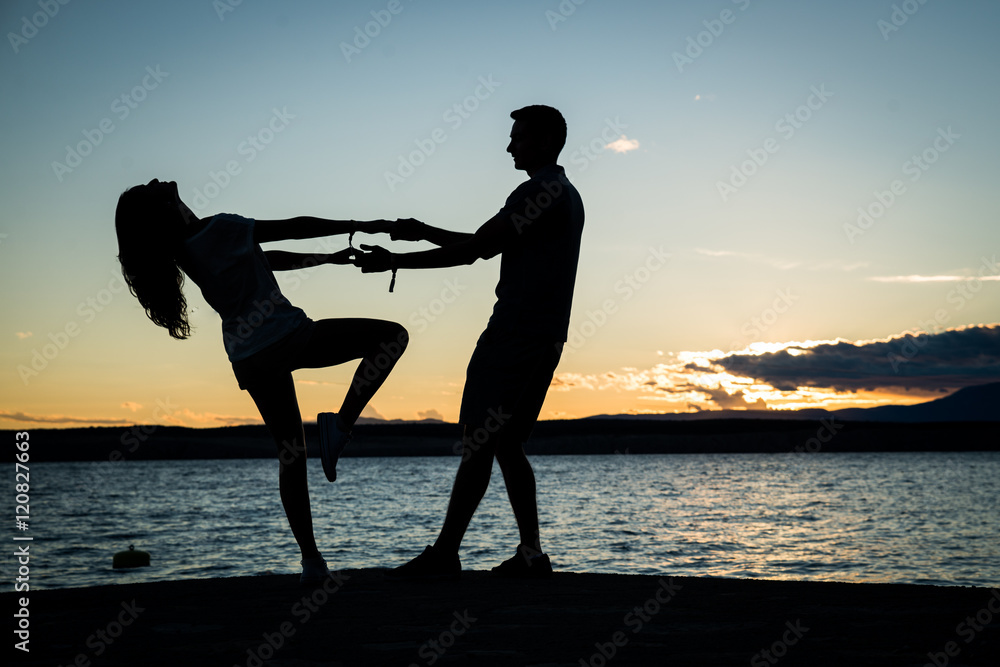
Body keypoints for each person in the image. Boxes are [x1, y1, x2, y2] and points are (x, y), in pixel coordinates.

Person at [114, 179, 408, 584]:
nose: (156, 179)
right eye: (151, 188)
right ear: (163, 204)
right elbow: (294, 225)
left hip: (248, 357)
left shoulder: (184, 248)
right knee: (393, 336)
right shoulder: (217, 227)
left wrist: (328, 259)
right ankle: (340, 425)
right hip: (284, 336)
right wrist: (358, 223)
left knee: (291, 455)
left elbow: (265, 257)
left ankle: (312, 563)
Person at [356, 105, 585, 579]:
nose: (509, 146)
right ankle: (531, 554)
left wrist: (396, 260)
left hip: (514, 334)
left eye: (518, 137)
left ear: (544, 142)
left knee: (480, 440)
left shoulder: (538, 190)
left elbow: (476, 251)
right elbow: (488, 241)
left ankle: (444, 554)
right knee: (506, 444)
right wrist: (420, 234)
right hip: (545, 338)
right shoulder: (564, 194)